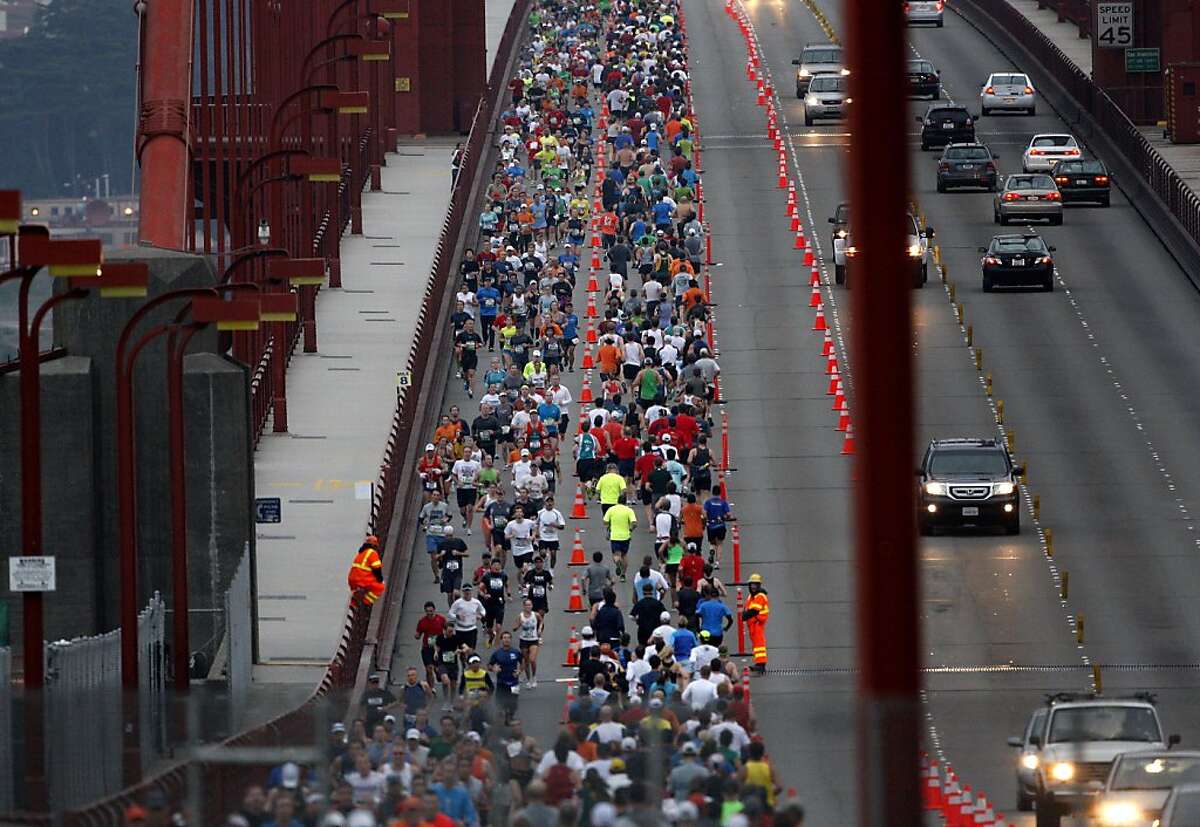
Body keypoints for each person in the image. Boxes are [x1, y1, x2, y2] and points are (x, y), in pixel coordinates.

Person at [601, 491, 637, 580]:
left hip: (615, 536)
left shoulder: (611, 510)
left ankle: (618, 563)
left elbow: (605, 521)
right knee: (624, 555)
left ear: (617, 500)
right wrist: (630, 529)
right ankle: (623, 575)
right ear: (625, 501)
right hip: (626, 536)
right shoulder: (629, 510)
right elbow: (634, 523)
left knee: (616, 555)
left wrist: (610, 526)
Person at [488, 631, 523, 724]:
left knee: (514, 702)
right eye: (504, 638)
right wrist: (493, 668)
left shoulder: (516, 652)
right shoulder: (497, 653)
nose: (506, 639)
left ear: (511, 640)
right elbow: (489, 665)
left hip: (514, 682)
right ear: (501, 640)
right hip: (501, 682)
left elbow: (523, 662)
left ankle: (510, 718)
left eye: (508, 638)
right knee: (500, 701)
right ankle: (502, 717)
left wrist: (520, 671)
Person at [346, 535, 385, 606]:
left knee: (357, 593)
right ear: (374, 546)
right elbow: (377, 569)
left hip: (352, 580)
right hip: (361, 579)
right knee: (380, 587)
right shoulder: (372, 553)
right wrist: (380, 579)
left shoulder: (361, 554)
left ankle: (354, 604)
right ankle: (365, 603)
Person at [744, 573, 770, 674]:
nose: (753, 586)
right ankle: (759, 663)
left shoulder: (760, 596)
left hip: (757, 622)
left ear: (759, 585)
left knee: (759, 644)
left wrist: (745, 615)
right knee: (756, 644)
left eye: (755, 584)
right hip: (753, 623)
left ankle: (761, 664)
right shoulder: (752, 595)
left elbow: (754, 610)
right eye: (752, 584)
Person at [513, 598, 543, 688]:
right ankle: (529, 679)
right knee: (526, 661)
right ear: (523, 606)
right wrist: (518, 625)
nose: (528, 607)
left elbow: (541, 621)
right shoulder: (520, 616)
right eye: (526, 605)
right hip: (524, 640)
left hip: (534, 639)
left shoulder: (536, 614)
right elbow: (515, 627)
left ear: (532, 606)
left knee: (532, 659)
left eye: (529, 605)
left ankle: (534, 677)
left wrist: (539, 629)